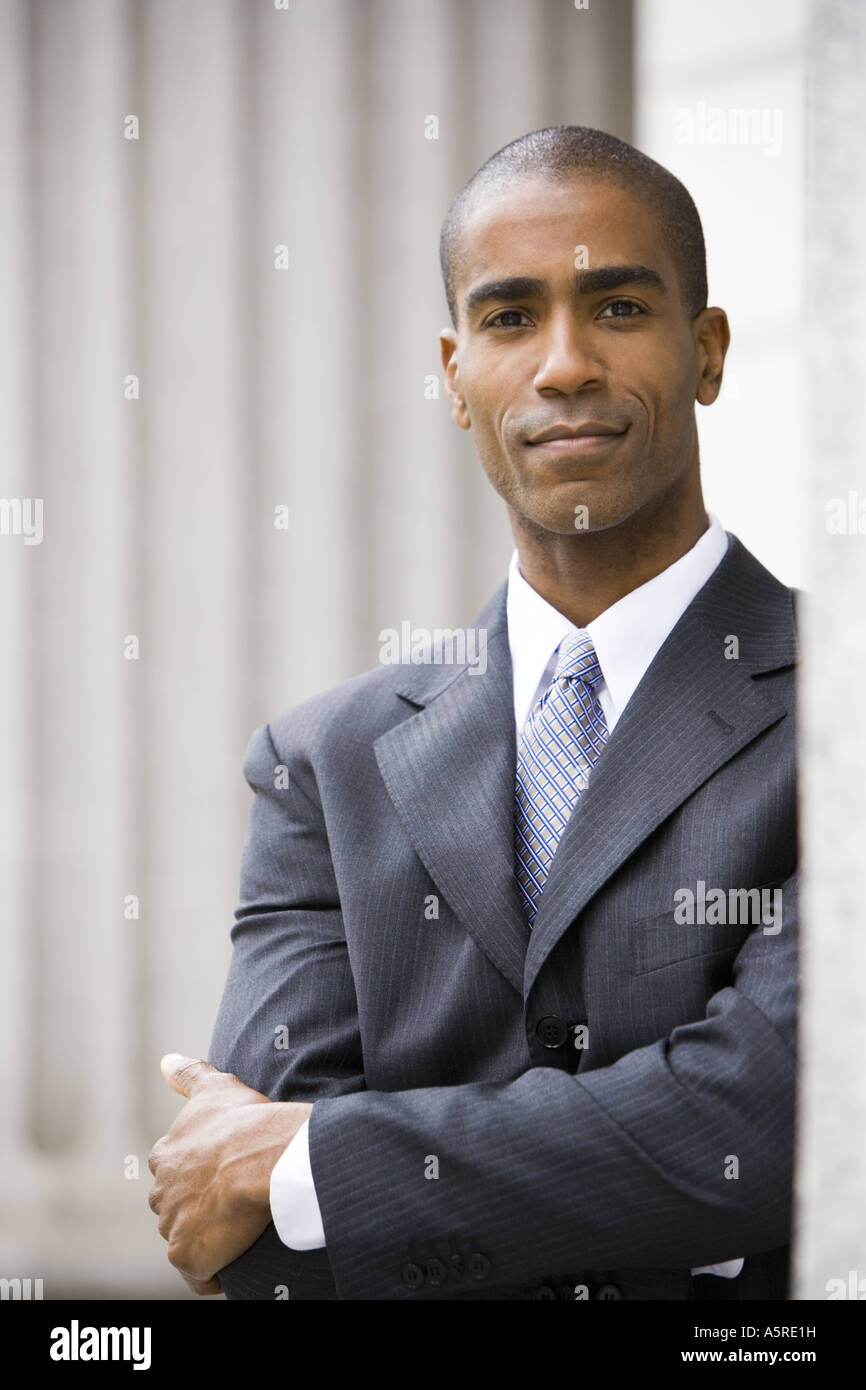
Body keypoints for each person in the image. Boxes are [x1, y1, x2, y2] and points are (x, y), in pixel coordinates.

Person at [147, 126, 797, 1301]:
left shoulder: (841, 708)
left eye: (615, 308)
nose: (560, 366)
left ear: (703, 350)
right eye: (507, 318)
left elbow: (765, 1119)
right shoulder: (322, 764)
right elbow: (252, 1254)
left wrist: (314, 1168)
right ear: (453, 375)